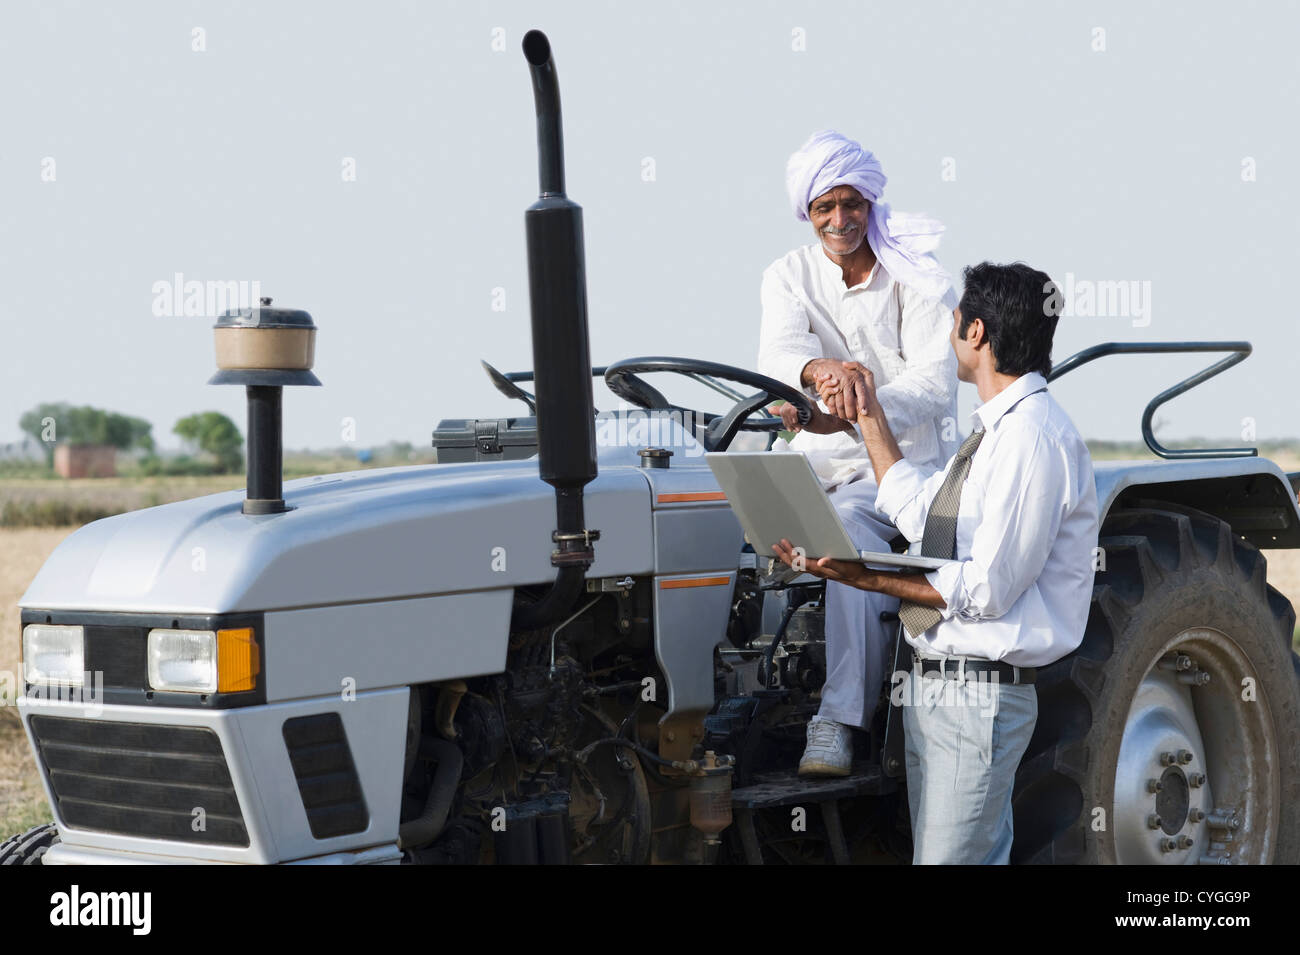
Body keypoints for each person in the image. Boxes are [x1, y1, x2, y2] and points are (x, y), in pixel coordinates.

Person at [772, 261, 1100, 864]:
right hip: (940, 694)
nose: (949, 332)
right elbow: (923, 516)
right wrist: (866, 415)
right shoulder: (992, 436)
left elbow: (987, 589)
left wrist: (863, 577)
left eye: (954, 320)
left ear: (976, 333)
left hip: (977, 699)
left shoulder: (1032, 438)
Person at [758, 129, 958, 776]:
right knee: (714, 517)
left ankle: (838, 719)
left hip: (902, 468)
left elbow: (933, 384)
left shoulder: (916, 275)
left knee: (840, 535)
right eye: (825, 208)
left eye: (852, 205)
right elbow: (781, 358)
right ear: (807, 213)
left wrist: (859, 401)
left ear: (870, 203)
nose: (839, 220)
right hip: (815, 462)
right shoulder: (786, 277)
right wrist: (821, 372)